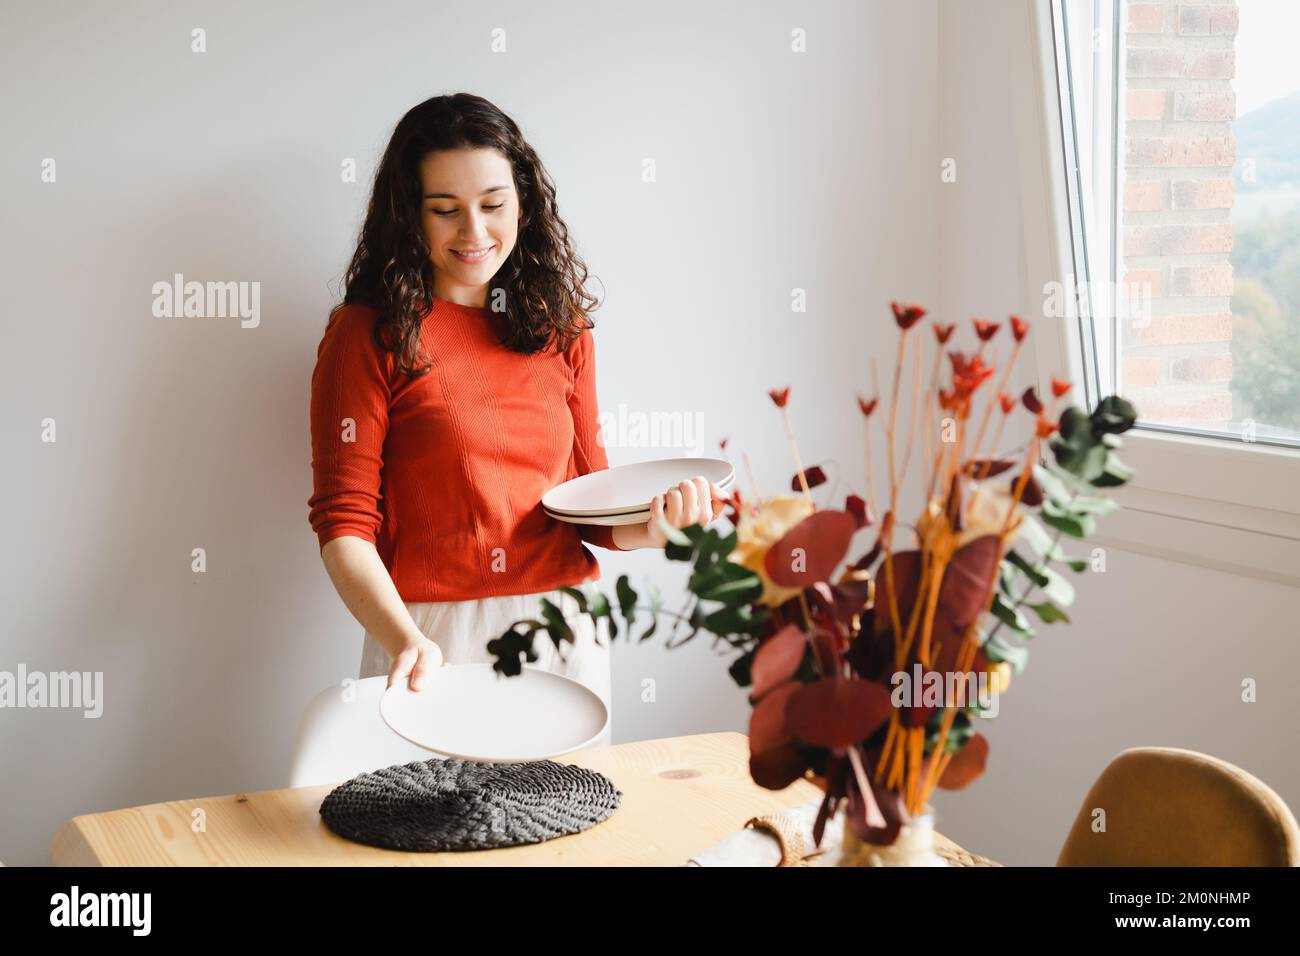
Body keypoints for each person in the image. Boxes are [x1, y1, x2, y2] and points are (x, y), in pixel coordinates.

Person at [307, 93, 725, 750]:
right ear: (408, 216)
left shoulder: (565, 330)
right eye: (445, 210)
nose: (474, 231)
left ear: (523, 203)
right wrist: (405, 640)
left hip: (565, 634)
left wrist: (656, 526)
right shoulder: (367, 334)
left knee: (569, 843)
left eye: (493, 204)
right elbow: (344, 526)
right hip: (431, 641)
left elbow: (590, 503)